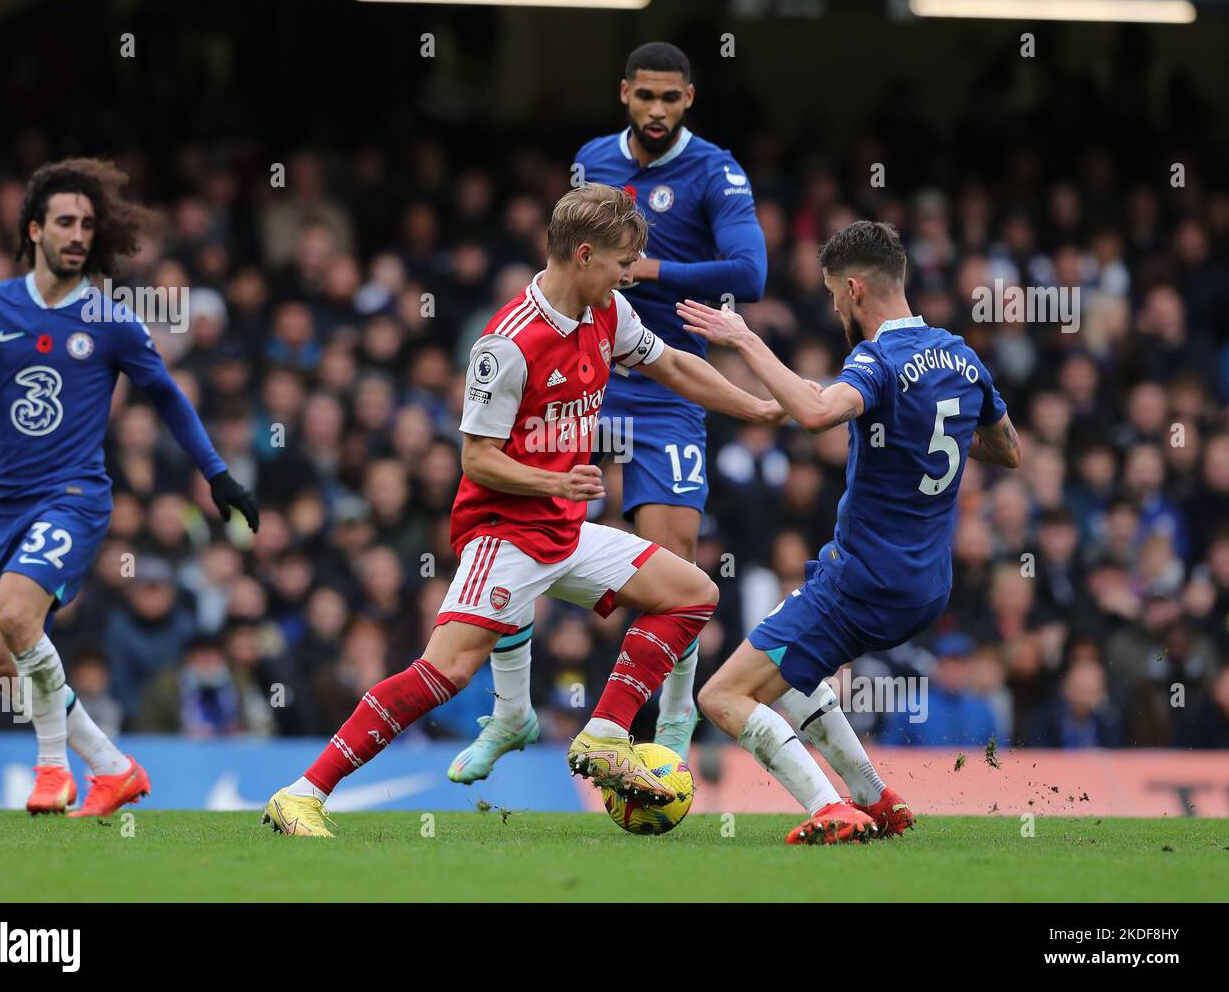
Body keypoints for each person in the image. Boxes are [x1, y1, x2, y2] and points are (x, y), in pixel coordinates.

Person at [263, 184, 784, 837]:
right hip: (504, 533)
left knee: (691, 593)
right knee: (447, 669)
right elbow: (476, 458)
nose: (631, 274)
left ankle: (603, 732)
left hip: (563, 530)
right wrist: (552, 483)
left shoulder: (610, 313)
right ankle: (302, 793)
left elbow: (675, 366)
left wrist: (760, 407)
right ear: (585, 254)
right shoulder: (507, 343)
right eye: (624, 262)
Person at [448, 41, 767, 781]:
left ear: (690, 99)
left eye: (671, 99)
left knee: (676, 563)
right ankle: (510, 714)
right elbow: (568, 255)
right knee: (514, 528)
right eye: (645, 96)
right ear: (625, 93)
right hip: (581, 369)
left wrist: (648, 269)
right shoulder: (592, 158)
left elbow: (751, 273)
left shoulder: (716, 171)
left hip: (662, 377)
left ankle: (676, 716)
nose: (657, 111)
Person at [0, 158, 259, 816]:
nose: (78, 233)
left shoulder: (110, 321)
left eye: (87, 223)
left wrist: (217, 474)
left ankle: (54, 770)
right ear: (34, 229)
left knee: (20, 614)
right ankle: (112, 766)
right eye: (65, 222)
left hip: (75, 496)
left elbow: (167, 397)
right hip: (6, 505)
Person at [682, 220, 1020, 844]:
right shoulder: (963, 358)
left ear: (857, 289)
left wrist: (744, 340)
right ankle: (875, 797)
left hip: (861, 581)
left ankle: (827, 809)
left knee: (724, 695)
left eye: (835, 293)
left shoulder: (877, 358)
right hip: (926, 587)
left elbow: (813, 415)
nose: (834, 304)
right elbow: (1008, 450)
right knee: (787, 673)